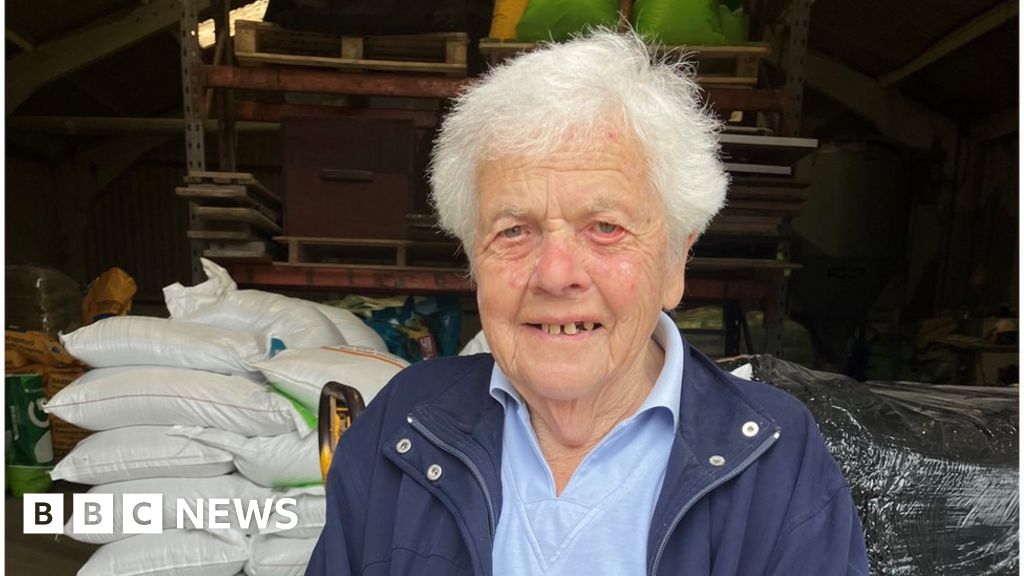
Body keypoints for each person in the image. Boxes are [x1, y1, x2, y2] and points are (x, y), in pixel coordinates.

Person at [306, 30, 869, 576]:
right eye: (513, 230)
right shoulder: (403, 421)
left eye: (605, 227)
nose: (555, 274)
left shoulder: (777, 458)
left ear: (675, 262)